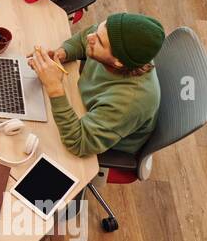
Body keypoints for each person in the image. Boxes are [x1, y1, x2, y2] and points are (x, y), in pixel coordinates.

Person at [28, 13, 164, 158]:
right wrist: (62, 53)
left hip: (99, 142)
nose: (90, 37)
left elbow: (78, 143)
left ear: (118, 62)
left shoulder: (130, 101)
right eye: (97, 31)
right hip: (82, 107)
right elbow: (83, 39)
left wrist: (54, 87)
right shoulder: (115, 44)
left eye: (98, 40)